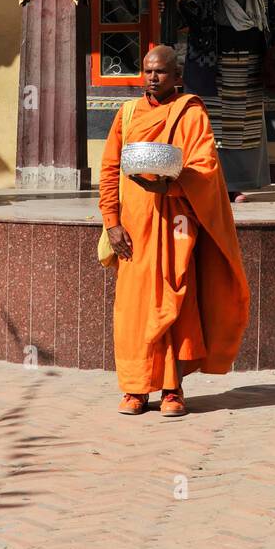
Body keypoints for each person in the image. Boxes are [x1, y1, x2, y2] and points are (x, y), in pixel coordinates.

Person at [99, 45, 250, 418]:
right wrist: (112, 222)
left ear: (177, 77)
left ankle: (171, 388)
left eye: (161, 72)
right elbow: (109, 169)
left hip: (176, 227)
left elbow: (205, 165)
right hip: (134, 229)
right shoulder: (128, 112)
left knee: (176, 303)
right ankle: (135, 388)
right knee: (133, 309)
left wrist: (170, 187)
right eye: (148, 71)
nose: (152, 77)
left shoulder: (191, 112)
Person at [177, 0, 275, 198]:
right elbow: (187, 15)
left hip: (250, 64)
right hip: (209, 65)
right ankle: (208, 181)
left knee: (242, 127)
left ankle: (237, 183)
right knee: (210, 125)